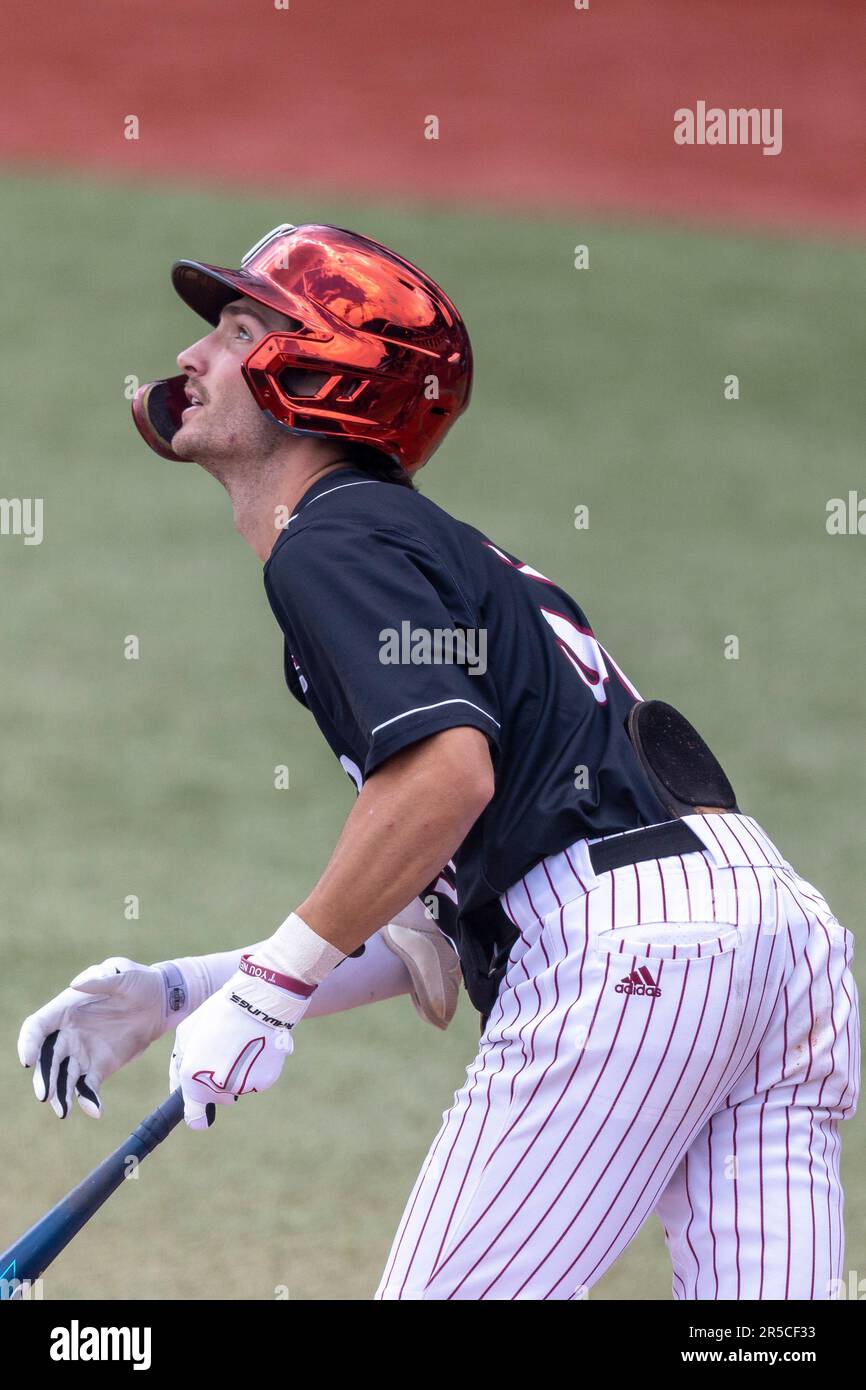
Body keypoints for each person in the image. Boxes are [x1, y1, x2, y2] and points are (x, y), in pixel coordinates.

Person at [19, 223, 859, 1300]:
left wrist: (270, 993)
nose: (190, 359)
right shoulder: (428, 552)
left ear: (317, 373)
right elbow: (431, 937)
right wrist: (180, 993)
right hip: (764, 941)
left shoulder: (333, 539)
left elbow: (445, 777)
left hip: (631, 952)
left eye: (235, 330)